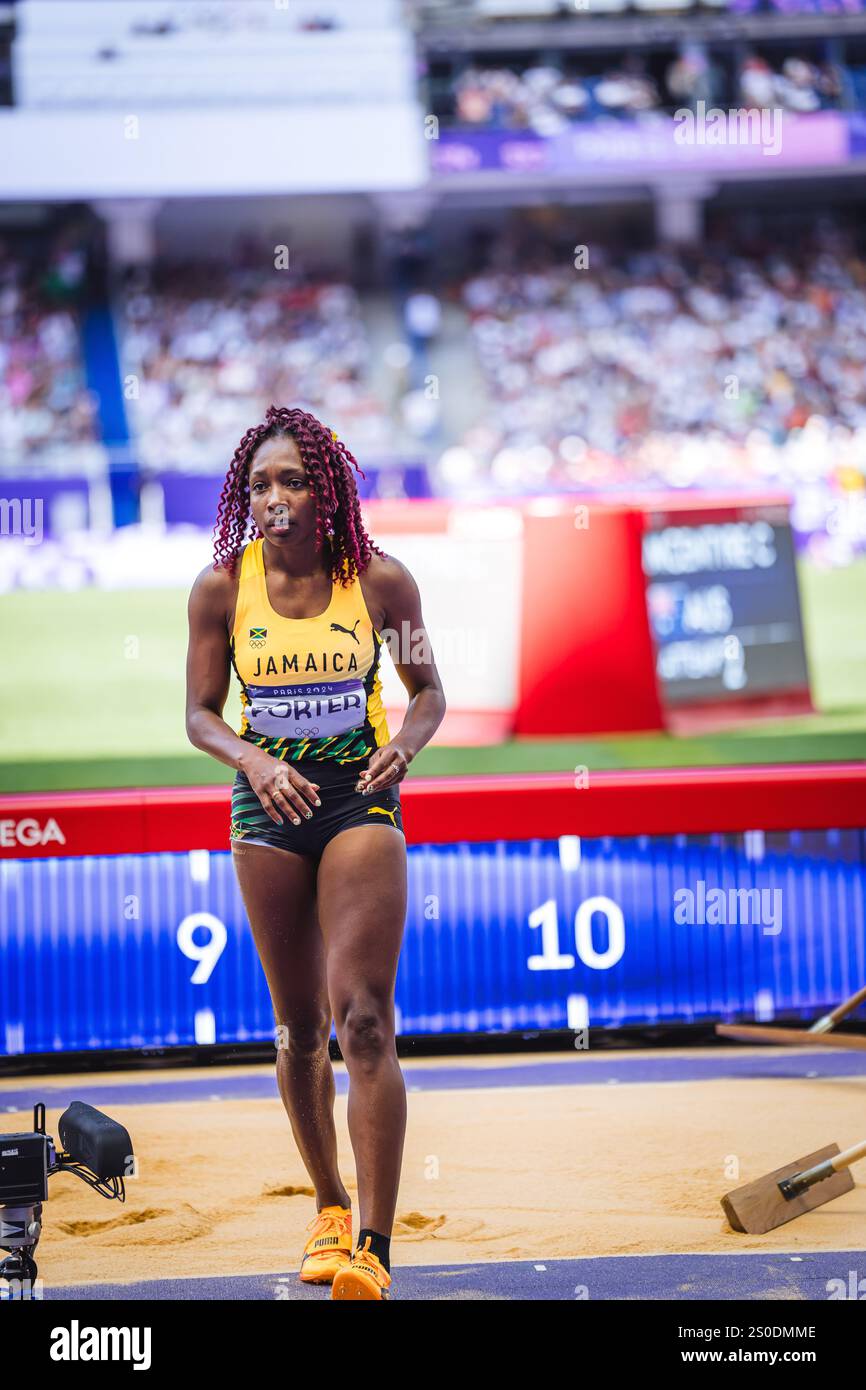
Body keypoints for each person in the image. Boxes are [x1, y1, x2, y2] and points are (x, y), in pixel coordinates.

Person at [185, 404, 446, 1300]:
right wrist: (254, 760)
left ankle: (374, 1245)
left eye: (291, 479)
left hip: (356, 802)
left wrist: (403, 748)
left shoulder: (380, 583)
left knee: (363, 1017)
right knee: (299, 1028)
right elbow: (198, 716)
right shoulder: (222, 589)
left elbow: (427, 693)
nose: (274, 498)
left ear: (326, 488)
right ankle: (329, 1209)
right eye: (259, 484)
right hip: (266, 811)